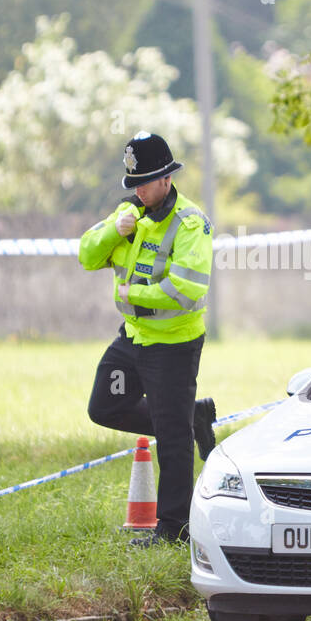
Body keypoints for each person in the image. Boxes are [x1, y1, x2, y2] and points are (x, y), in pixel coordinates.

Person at [79, 131, 217, 547]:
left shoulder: (190, 223)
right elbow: (87, 256)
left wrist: (131, 294)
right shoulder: (128, 213)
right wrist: (113, 232)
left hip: (173, 344)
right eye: (134, 183)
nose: (139, 189)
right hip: (133, 339)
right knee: (105, 406)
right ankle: (189, 416)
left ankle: (174, 530)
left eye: (147, 181)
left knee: (171, 440)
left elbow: (188, 287)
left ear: (168, 179)